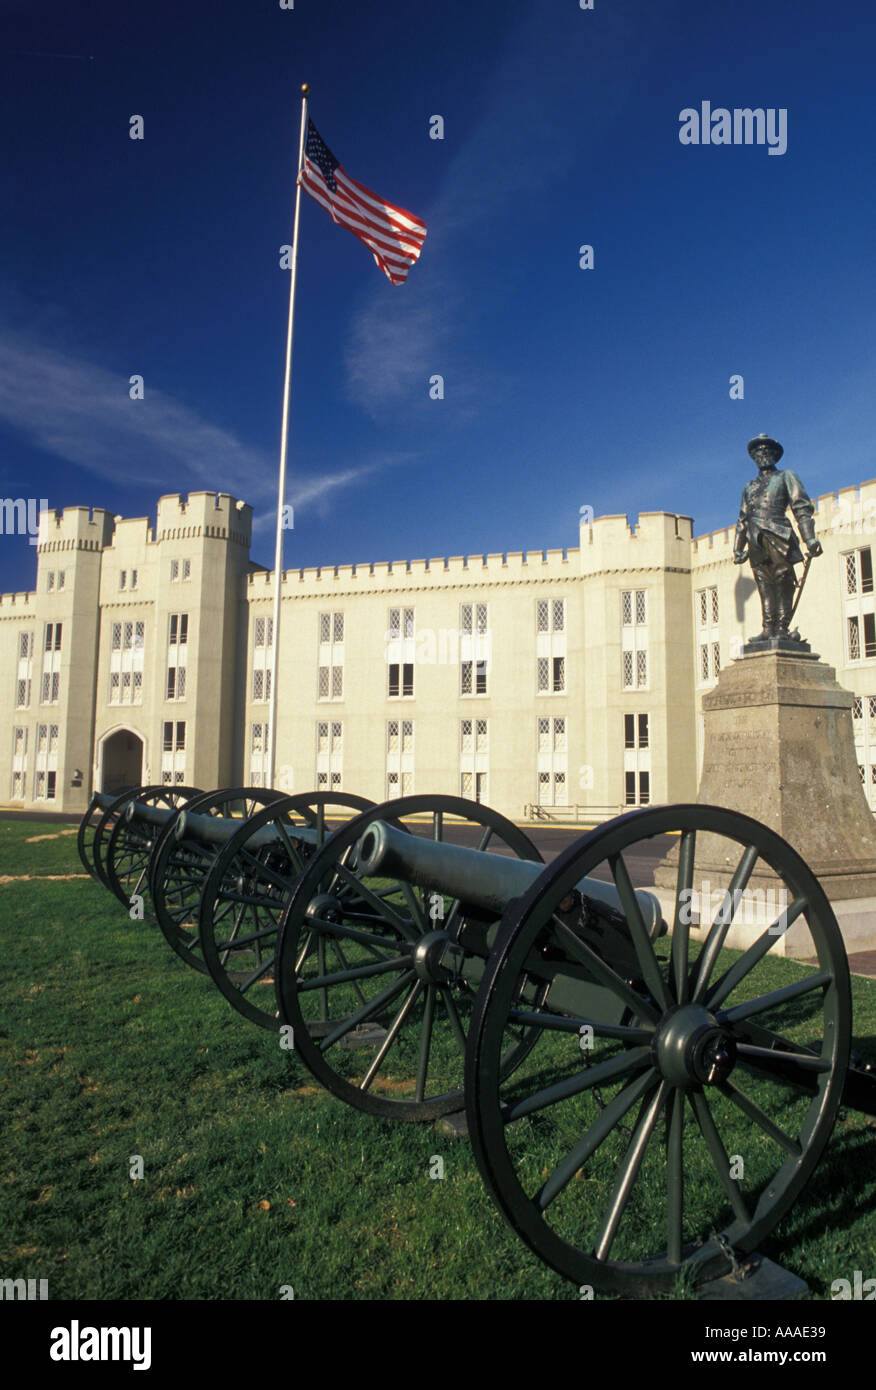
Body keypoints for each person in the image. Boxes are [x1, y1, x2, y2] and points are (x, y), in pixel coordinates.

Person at [733, 434, 823, 641]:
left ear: (775, 455)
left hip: (779, 533)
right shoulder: (749, 486)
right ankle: (768, 627)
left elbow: (801, 507)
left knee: (783, 579)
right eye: (758, 452)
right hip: (755, 539)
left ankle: (781, 627)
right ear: (753, 457)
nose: (763, 454)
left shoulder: (786, 476)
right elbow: (743, 519)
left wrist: (810, 538)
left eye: (767, 451)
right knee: (764, 582)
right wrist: (738, 548)